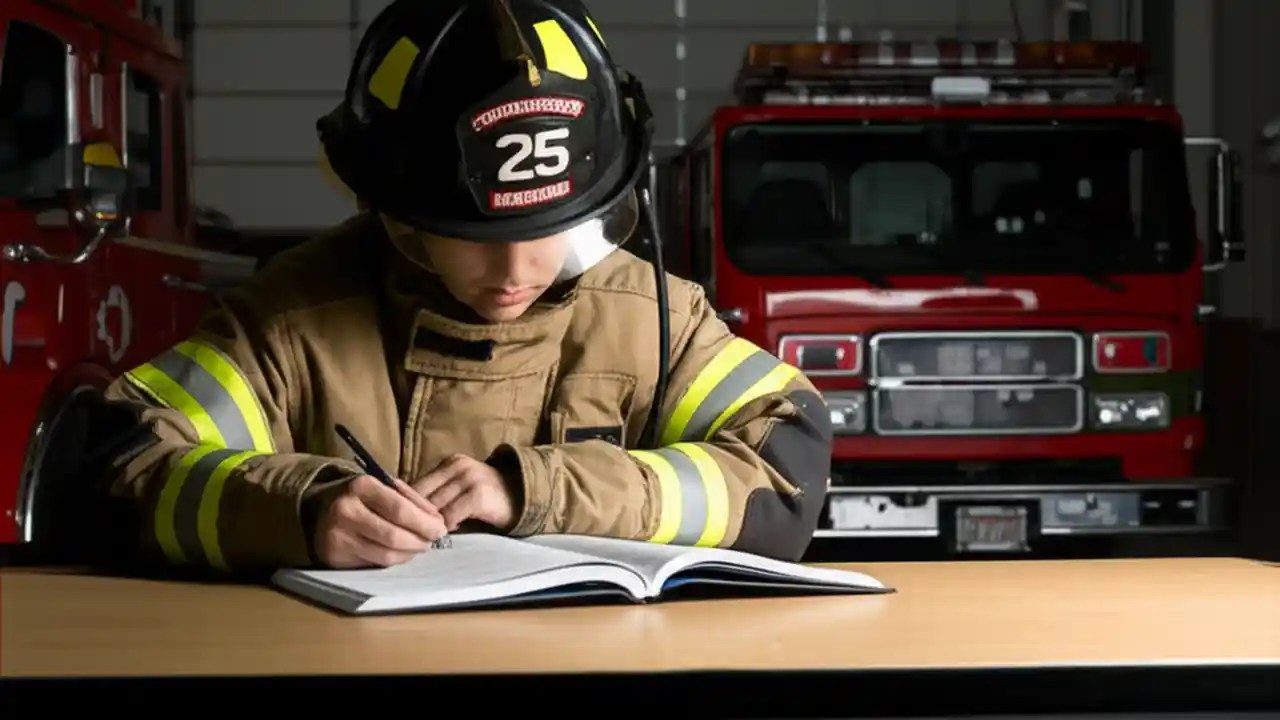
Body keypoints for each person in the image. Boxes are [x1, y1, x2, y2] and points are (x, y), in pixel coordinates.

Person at [87, 0, 832, 574]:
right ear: (393, 214)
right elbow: (119, 464)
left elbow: (783, 469)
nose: (514, 274)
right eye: (474, 239)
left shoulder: (653, 320)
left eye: (549, 232)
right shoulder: (291, 322)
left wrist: (535, 490)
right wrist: (301, 511)